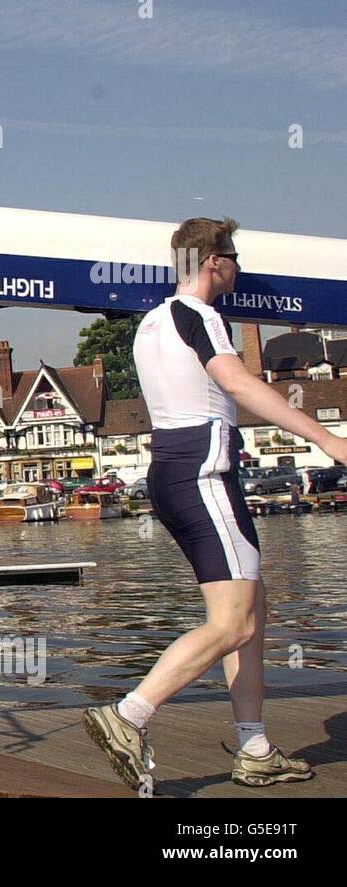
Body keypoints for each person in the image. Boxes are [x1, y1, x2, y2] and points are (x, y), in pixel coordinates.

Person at [84, 217, 347, 791]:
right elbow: (239, 384)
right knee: (233, 622)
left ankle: (254, 748)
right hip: (204, 473)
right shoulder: (200, 316)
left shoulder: (150, 323)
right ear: (213, 262)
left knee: (250, 614)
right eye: (235, 257)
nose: (239, 268)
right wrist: (326, 438)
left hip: (174, 475)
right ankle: (129, 715)